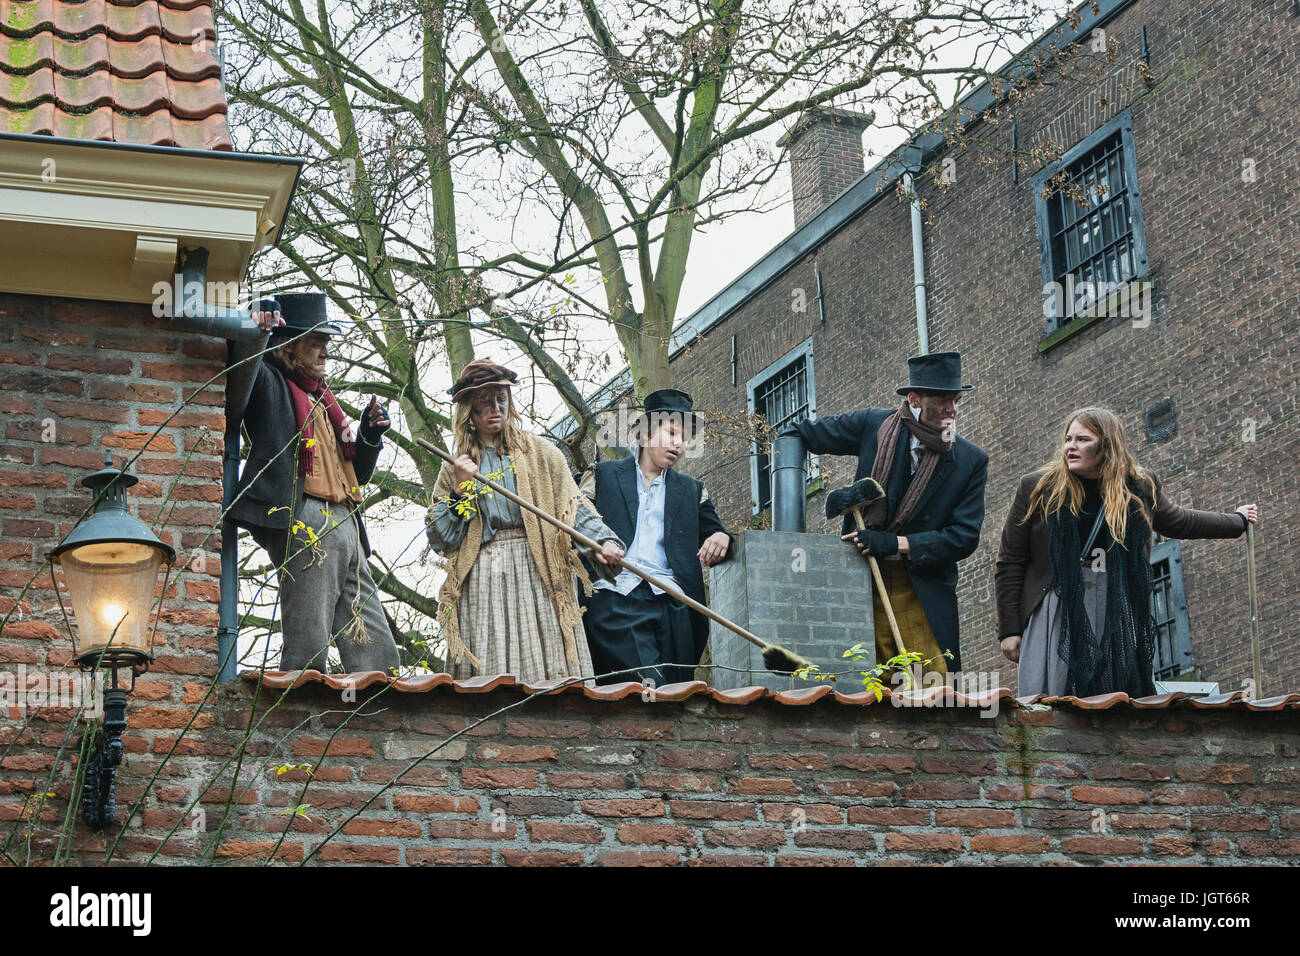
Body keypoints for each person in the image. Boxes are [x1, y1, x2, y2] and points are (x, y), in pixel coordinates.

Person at [995, 406, 1258, 699]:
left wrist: (1237, 521)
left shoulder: (1138, 487)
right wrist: (1009, 630)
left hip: (1113, 604)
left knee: (1115, 696)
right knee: (1051, 697)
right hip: (1056, 604)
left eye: (1083, 440)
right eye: (1068, 439)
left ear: (1106, 445)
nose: (1071, 446)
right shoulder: (1038, 487)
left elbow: (1181, 521)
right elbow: (1010, 561)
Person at [780, 351, 988, 675]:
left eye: (956, 399)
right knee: (869, 684)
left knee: (931, 687)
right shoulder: (873, 426)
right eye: (943, 400)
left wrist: (896, 544)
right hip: (862, 581)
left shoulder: (970, 460)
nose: (952, 409)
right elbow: (799, 432)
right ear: (915, 398)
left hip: (921, 588)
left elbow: (963, 538)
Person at [229, 293, 401, 674]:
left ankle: (381, 719)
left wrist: (368, 435)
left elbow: (353, 472)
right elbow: (242, 364)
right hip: (304, 517)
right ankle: (296, 722)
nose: (325, 351)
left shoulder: (323, 398)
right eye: (315, 342)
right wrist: (255, 325)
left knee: (377, 648)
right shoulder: (269, 380)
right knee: (309, 643)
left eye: (326, 343)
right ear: (289, 346)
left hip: (347, 521)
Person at [425, 358, 625, 683]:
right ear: (468, 411)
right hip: (484, 573)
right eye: (484, 402)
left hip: (539, 566)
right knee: (490, 673)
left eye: (501, 400)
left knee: (550, 669)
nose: (495, 408)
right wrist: (460, 491)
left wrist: (602, 542)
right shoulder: (456, 465)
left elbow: (572, 509)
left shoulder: (542, 453)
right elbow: (441, 539)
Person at [581, 389, 735, 686]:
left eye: (685, 438)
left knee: (676, 691)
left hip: (674, 603)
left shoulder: (693, 490)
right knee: (650, 684)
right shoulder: (601, 476)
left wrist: (722, 537)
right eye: (672, 433)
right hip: (616, 596)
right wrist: (598, 544)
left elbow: (716, 533)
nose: (679, 444)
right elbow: (573, 517)